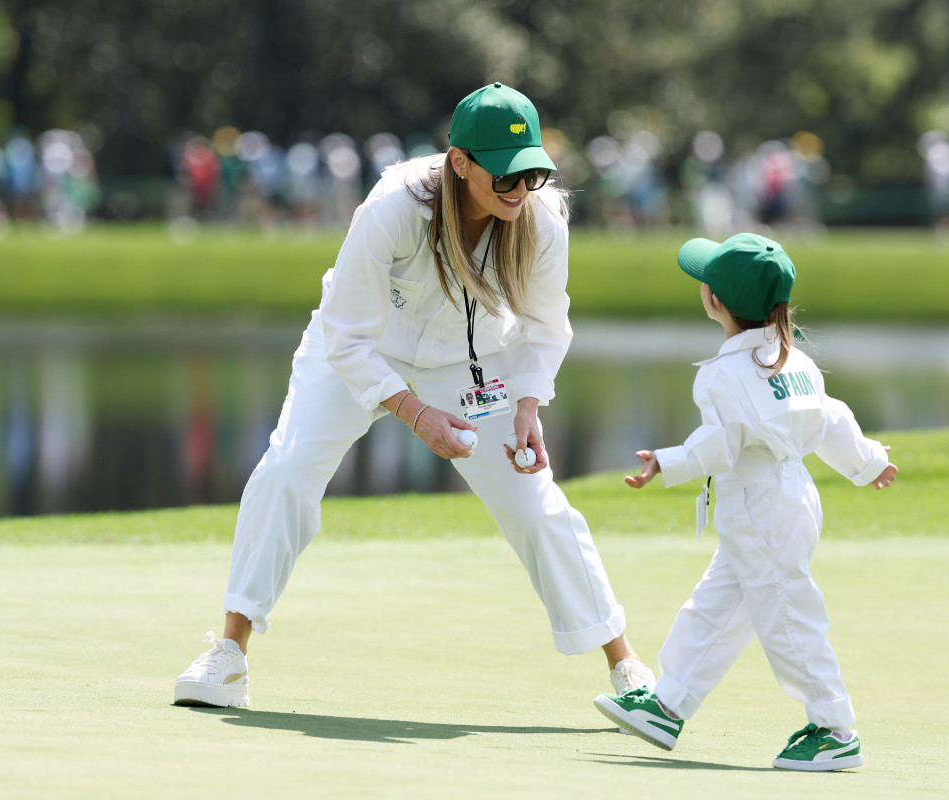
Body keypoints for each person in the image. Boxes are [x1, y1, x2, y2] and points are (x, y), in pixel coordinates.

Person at [174, 83, 655, 709]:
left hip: (469, 362)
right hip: (362, 346)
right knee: (288, 468)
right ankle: (230, 655)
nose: (519, 189)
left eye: (530, 173)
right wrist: (412, 411)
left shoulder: (541, 218)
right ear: (460, 162)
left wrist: (530, 405)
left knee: (535, 504)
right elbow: (345, 336)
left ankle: (626, 668)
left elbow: (545, 324)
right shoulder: (396, 204)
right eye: (504, 175)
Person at [592, 233, 898, 771]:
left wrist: (668, 460)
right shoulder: (795, 359)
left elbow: (721, 442)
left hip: (761, 505)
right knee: (716, 606)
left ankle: (833, 727)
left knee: (785, 612)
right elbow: (832, 419)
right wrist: (868, 462)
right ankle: (667, 705)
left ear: (715, 300)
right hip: (785, 499)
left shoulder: (722, 374)